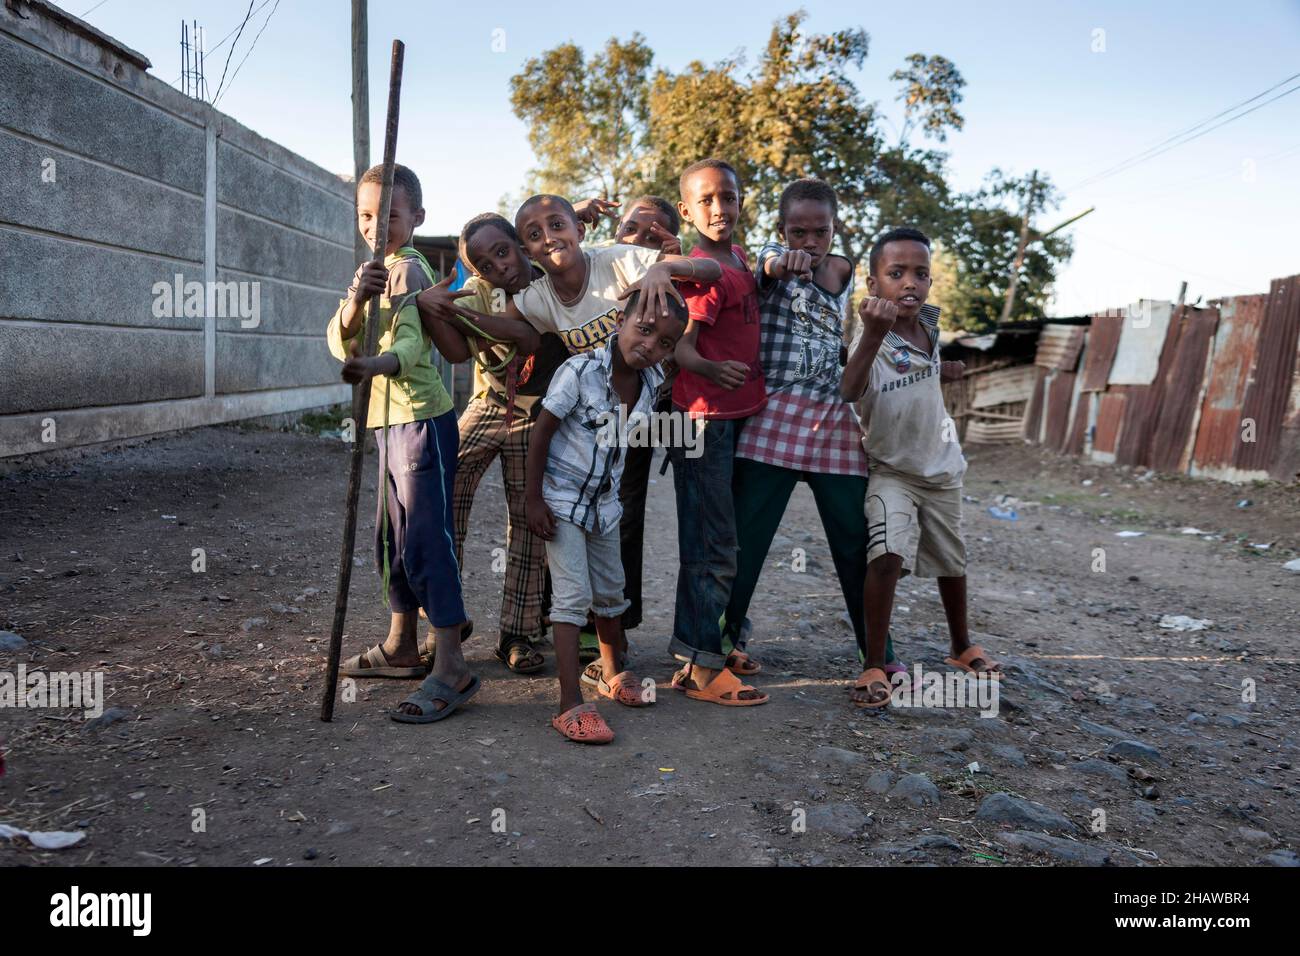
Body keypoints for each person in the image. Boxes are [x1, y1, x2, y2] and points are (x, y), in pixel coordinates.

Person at [723, 178, 903, 686]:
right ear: (781, 230)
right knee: (745, 542)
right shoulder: (765, 262)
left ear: (834, 229)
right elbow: (767, 265)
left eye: (818, 231)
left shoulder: (839, 267)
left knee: (855, 541)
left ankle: (877, 651)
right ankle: (723, 642)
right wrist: (780, 261)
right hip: (772, 417)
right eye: (796, 232)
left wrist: (808, 260)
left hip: (833, 421)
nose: (808, 241)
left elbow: (830, 271)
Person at [326, 163, 478, 723]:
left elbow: (412, 347)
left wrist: (375, 363)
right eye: (366, 215)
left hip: (420, 421)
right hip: (387, 424)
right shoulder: (371, 272)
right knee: (390, 538)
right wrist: (355, 306)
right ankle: (402, 646)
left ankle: (454, 664)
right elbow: (334, 335)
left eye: (388, 214)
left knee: (423, 541)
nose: (375, 225)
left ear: (417, 217)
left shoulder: (409, 270)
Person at [841, 226, 1001, 707]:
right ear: (874, 284)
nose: (910, 283)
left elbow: (922, 370)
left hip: (941, 467)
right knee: (886, 556)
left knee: (953, 561)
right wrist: (872, 332)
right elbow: (850, 389)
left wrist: (945, 369)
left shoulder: (929, 326)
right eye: (896, 274)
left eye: (920, 274)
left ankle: (960, 643)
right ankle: (874, 660)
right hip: (891, 469)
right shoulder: (868, 337)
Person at [525, 292, 689, 743]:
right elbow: (542, 432)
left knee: (612, 592)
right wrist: (533, 497)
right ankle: (569, 702)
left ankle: (613, 671)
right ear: (620, 321)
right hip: (561, 503)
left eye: (665, 341)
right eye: (645, 329)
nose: (651, 344)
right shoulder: (579, 371)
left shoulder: (652, 381)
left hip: (604, 505)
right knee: (572, 597)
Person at [416, 213, 569, 674]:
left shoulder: (550, 283)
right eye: (483, 263)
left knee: (528, 520)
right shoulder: (481, 290)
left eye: (502, 251)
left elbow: (523, 335)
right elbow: (459, 353)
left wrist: (457, 312)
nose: (497, 266)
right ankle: (446, 620)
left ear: (522, 244)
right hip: (488, 404)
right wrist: (428, 307)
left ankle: (518, 633)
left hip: (538, 414)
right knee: (443, 495)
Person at [666, 158, 768, 705]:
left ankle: (709, 646)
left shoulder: (741, 260)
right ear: (686, 210)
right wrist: (710, 369)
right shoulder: (700, 269)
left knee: (723, 538)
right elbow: (681, 348)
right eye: (705, 200)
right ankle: (701, 666)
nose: (719, 208)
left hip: (738, 418)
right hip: (702, 421)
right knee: (710, 544)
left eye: (727, 197)